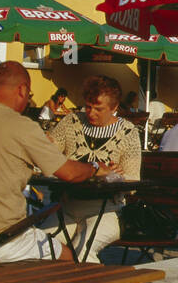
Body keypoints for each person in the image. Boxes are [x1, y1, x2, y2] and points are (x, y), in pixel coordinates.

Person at [0, 62, 109, 263]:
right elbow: (70, 173)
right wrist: (94, 167)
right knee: (69, 258)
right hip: (1, 244)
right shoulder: (22, 126)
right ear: (22, 89)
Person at [48, 75, 143, 262]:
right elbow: (46, 156)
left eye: (99, 109)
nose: (91, 113)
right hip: (68, 206)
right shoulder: (71, 122)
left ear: (114, 108)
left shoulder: (128, 131)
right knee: (41, 248)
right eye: (88, 106)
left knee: (81, 252)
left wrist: (115, 176)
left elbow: (133, 180)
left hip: (107, 210)